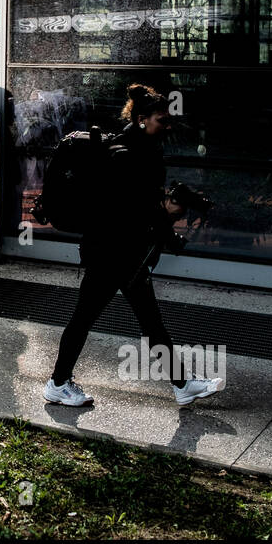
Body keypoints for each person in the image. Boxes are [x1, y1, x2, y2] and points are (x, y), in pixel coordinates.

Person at [44, 84, 226, 408]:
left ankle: (182, 385)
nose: (167, 126)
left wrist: (164, 222)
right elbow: (130, 210)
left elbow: (141, 207)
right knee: (86, 319)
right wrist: (166, 216)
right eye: (161, 120)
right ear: (142, 119)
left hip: (124, 254)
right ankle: (58, 383)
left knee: (147, 321)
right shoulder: (126, 154)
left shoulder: (142, 150)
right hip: (110, 253)